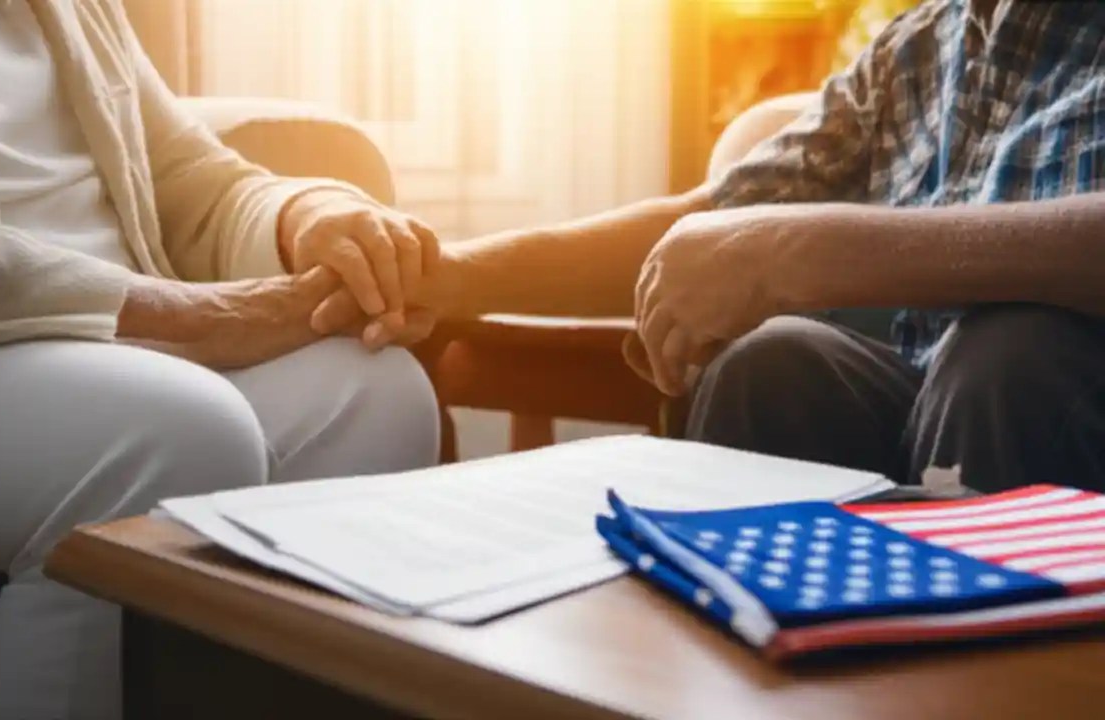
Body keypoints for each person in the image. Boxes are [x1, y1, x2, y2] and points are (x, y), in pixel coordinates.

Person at [0, 1, 440, 717]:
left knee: (378, 391)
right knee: (179, 433)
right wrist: (186, 317)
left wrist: (304, 217)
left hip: (129, 349)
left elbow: (183, 174)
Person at [336, 0, 1105, 491]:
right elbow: (718, 223)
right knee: (774, 365)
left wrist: (802, 252)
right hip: (927, 418)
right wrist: (451, 278)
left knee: (1011, 358)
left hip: (1042, 419)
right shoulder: (915, 50)